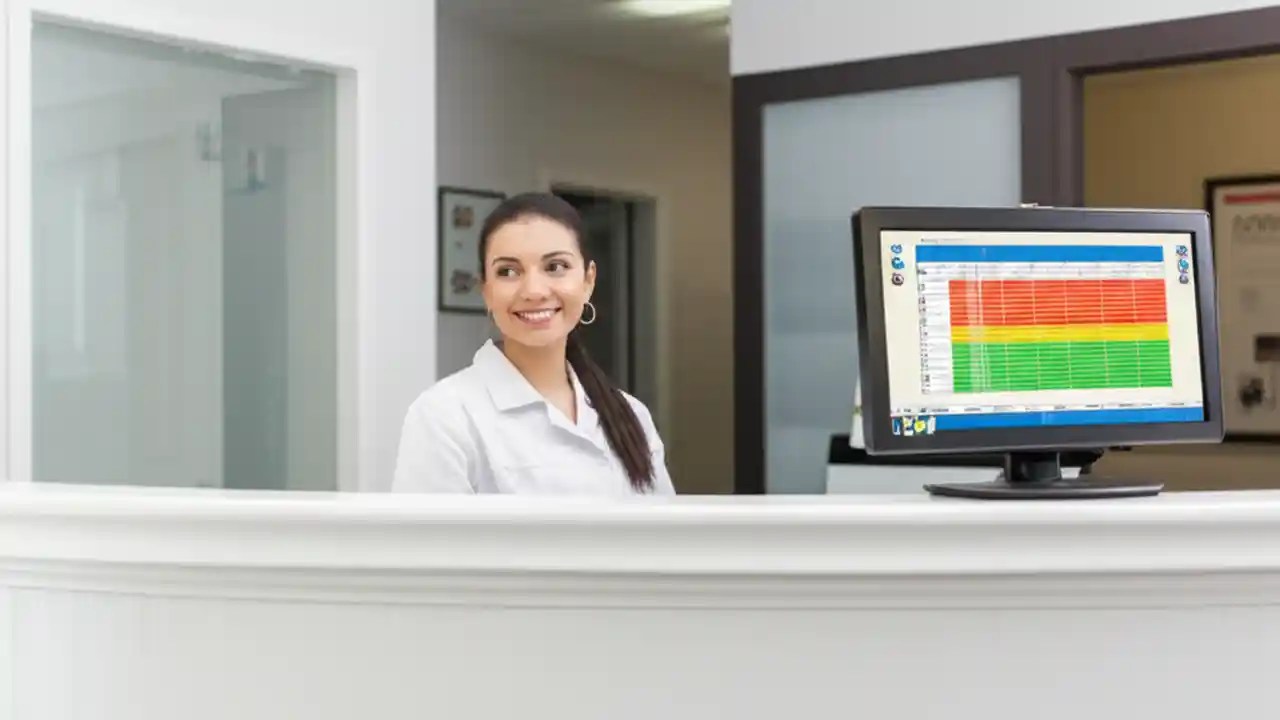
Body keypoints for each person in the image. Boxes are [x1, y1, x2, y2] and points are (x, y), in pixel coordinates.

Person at [392, 192, 675, 495]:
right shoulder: (443, 415)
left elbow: (667, 539)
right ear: (486, 291)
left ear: (588, 281)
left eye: (555, 267)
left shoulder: (631, 416)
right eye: (508, 272)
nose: (534, 291)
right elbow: (427, 542)